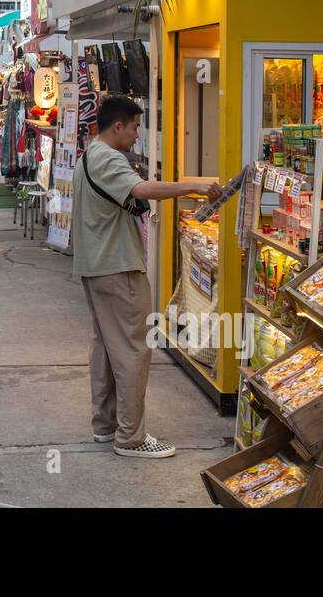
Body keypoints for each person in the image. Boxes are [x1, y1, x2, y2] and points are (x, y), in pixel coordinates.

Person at [72, 96, 221, 458]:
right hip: (116, 266)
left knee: (108, 349)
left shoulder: (90, 155)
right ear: (118, 126)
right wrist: (191, 186)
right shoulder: (107, 156)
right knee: (133, 351)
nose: (138, 134)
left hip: (98, 265)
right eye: (136, 127)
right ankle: (131, 438)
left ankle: (106, 427)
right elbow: (141, 191)